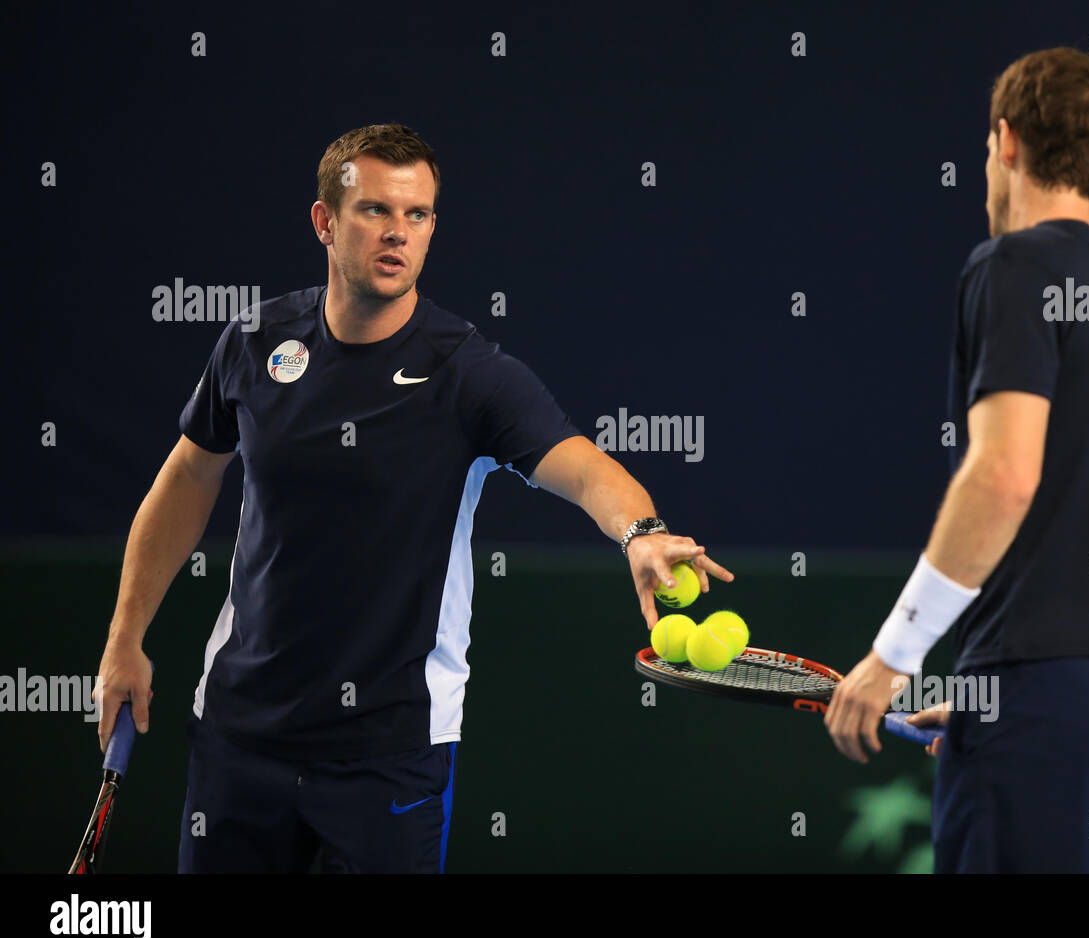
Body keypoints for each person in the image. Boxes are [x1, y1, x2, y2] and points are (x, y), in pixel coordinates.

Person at [94, 122, 733, 873]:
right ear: (325, 221)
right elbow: (187, 478)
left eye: (418, 215)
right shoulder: (254, 341)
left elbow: (586, 467)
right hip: (238, 736)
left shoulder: (470, 373)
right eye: (375, 211)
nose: (398, 232)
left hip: (391, 752)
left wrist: (642, 532)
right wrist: (124, 638)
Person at [825, 48, 1089, 873]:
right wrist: (1001, 698)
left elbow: (1004, 476)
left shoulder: (1013, 265)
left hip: (1048, 691)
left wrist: (894, 659)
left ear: (1008, 142)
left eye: (987, 148)